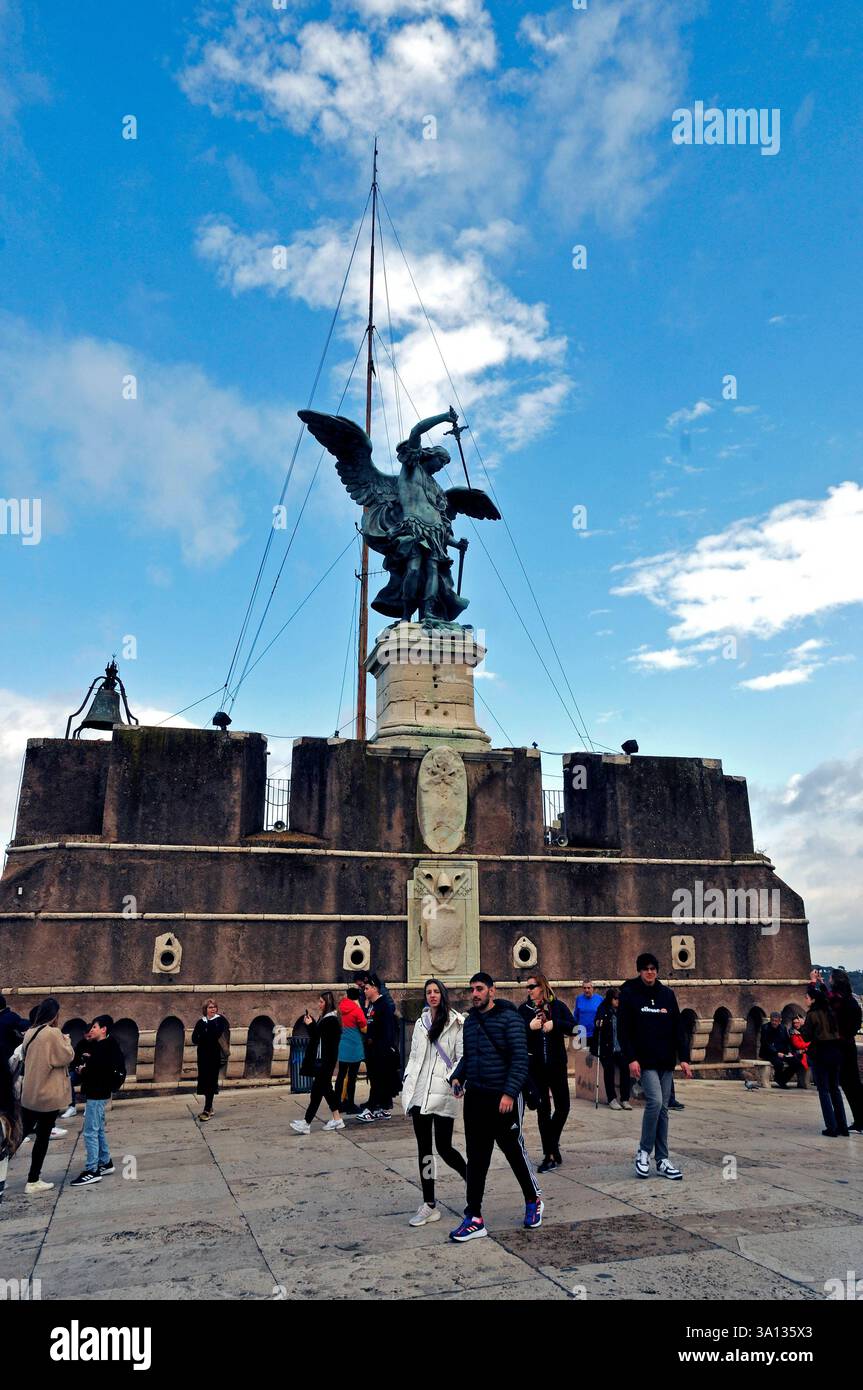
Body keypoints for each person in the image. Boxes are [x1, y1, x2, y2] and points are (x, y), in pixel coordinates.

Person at [448, 971, 542, 1241]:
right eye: (472, 990)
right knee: (477, 1159)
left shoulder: (510, 1019)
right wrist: (458, 1076)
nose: (474, 994)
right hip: (476, 1098)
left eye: (479, 988)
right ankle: (474, 1217)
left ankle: (532, 1199)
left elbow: (520, 1060)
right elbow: (469, 1056)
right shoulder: (470, 1022)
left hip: (502, 1098)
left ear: (492, 990)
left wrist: (510, 1093)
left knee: (513, 1151)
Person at [618, 953, 692, 1180]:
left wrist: (684, 1058)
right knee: (656, 1101)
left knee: (663, 1108)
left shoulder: (667, 995)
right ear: (639, 970)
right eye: (645, 968)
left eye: (653, 968)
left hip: (665, 1060)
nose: (650, 972)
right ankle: (643, 1151)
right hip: (644, 1060)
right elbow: (624, 1030)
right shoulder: (629, 994)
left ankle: (662, 1159)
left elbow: (677, 1028)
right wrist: (631, 1058)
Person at [401, 979, 467, 1225]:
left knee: (445, 1147)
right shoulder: (420, 1023)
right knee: (424, 1151)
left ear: (443, 994)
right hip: (420, 1093)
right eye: (428, 992)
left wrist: (456, 1081)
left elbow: (461, 1057)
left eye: (436, 991)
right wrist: (408, 1083)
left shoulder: (456, 1023)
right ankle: (429, 1203)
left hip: (442, 1090)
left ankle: (472, 1181)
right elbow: (415, 1057)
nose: (432, 996)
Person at [517, 971, 575, 1171]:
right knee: (543, 1111)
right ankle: (549, 1154)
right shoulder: (524, 1010)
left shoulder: (558, 1007)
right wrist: (528, 1027)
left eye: (532, 986)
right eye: (527, 987)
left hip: (557, 1066)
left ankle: (551, 1145)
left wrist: (555, 1024)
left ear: (542, 987)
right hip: (536, 1069)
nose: (528, 990)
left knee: (563, 1107)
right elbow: (514, 1035)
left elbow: (575, 1028)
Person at [19, 998, 75, 1194]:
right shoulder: (53, 1033)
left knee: (19, 1135)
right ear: (54, 1015)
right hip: (47, 1096)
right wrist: (67, 1041)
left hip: (30, 1094)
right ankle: (33, 1180)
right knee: (42, 1139)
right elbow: (65, 1057)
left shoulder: (30, 1033)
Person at [69, 1015, 126, 1187]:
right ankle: (105, 1161)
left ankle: (92, 1170)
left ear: (103, 1029)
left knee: (90, 1132)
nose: (91, 1030)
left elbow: (95, 1071)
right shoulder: (105, 1044)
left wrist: (83, 1070)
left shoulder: (103, 1047)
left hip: (97, 1092)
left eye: (94, 1027)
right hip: (100, 1092)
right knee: (98, 1128)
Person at [800, 984, 849, 1137]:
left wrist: (802, 1026)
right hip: (835, 1052)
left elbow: (806, 1036)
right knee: (835, 1089)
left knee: (824, 1091)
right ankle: (843, 1127)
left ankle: (831, 1127)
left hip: (820, 1052)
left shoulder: (812, 1015)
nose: (805, 1000)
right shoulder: (830, 1012)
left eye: (807, 998)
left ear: (813, 1000)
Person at [291, 993, 344, 1133]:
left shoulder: (330, 1020)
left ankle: (307, 1123)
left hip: (325, 1061)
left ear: (327, 1003)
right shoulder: (327, 1019)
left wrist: (310, 1025)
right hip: (325, 1060)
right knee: (326, 1090)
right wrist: (313, 1023)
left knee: (316, 1092)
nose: (319, 1004)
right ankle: (337, 1119)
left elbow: (318, 1036)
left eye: (321, 1002)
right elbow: (319, 1035)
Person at [358, 974, 400, 1121]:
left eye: (367, 988)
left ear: (375, 988)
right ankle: (382, 1108)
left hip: (381, 1051)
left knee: (378, 1081)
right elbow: (367, 1023)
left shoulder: (384, 1005)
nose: (364, 991)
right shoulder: (372, 1005)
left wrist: (385, 1048)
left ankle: (372, 1108)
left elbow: (388, 1030)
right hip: (372, 1049)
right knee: (376, 1080)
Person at [828, 970, 863, 1132]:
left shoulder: (840, 1002)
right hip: (847, 1045)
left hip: (842, 1046)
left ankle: (857, 1120)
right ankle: (859, 1119)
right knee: (852, 1084)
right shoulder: (850, 1000)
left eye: (831, 978)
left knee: (848, 1084)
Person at [590, 986, 632, 1111]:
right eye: (615, 999)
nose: (618, 1001)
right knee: (609, 1072)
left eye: (619, 999)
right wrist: (598, 1023)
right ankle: (612, 1099)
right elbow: (597, 1021)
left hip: (620, 1048)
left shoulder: (622, 1011)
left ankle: (625, 1099)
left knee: (625, 1070)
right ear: (610, 999)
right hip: (607, 1048)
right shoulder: (603, 1008)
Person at [192, 998, 228, 1121]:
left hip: (214, 1055)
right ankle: (210, 1107)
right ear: (205, 1009)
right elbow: (194, 1039)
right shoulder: (200, 1022)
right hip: (202, 1056)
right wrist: (204, 1036)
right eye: (210, 1007)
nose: (213, 1009)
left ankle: (207, 1109)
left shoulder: (219, 1020)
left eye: (214, 1007)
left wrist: (204, 1035)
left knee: (211, 1081)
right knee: (204, 1081)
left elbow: (215, 1035)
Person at [335, 988, 367, 1116]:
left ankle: (337, 1103)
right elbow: (364, 1027)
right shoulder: (356, 1010)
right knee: (352, 1077)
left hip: (342, 1045)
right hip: (354, 1046)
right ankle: (350, 1104)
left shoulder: (339, 1008)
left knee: (341, 1075)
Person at [760, 1012, 804, 1088]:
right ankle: (780, 1080)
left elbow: (788, 1042)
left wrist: (789, 1052)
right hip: (769, 1053)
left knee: (796, 1062)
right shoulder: (765, 1028)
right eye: (772, 1020)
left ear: (780, 1020)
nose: (774, 1022)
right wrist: (776, 1053)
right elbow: (766, 1043)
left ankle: (782, 1079)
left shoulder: (783, 1028)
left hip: (783, 1053)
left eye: (776, 1021)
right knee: (779, 1063)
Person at [572, 980, 601, 1045]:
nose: (586, 990)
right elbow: (576, 1015)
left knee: (595, 1054)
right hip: (582, 1034)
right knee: (583, 1054)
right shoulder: (579, 999)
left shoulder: (599, 999)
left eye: (588, 988)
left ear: (592, 988)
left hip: (595, 1033)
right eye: (584, 988)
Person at [789, 1014, 811, 1087]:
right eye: (794, 1023)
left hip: (805, 1052)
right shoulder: (792, 1032)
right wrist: (810, 1044)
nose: (796, 1024)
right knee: (806, 1061)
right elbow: (798, 1045)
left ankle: (805, 1083)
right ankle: (804, 1083)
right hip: (796, 1053)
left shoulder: (803, 1030)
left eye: (797, 1022)